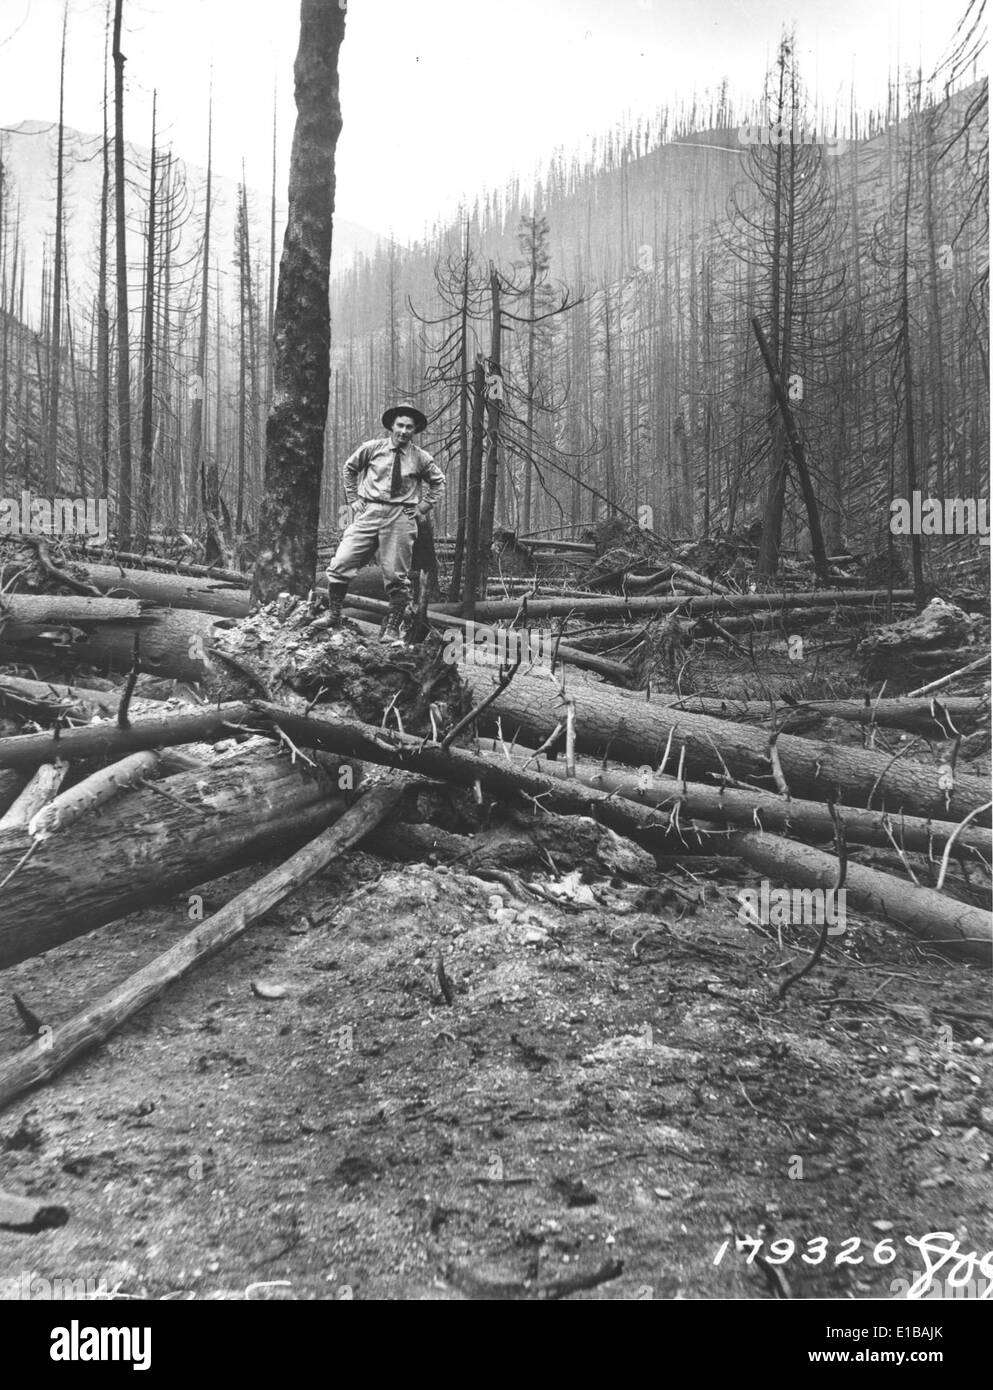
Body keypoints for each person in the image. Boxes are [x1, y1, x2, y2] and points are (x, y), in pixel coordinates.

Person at [324, 404, 445, 642]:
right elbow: (349, 468)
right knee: (341, 562)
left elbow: (439, 483)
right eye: (400, 425)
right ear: (392, 426)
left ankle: (392, 628)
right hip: (368, 512)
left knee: (396, 575)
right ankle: (333, 615)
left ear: (415, 430)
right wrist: (353, 499)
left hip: (400, 517)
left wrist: (422, 507)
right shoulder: (372, 448)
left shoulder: (420, 457)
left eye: (409, 427)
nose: (403, 431)